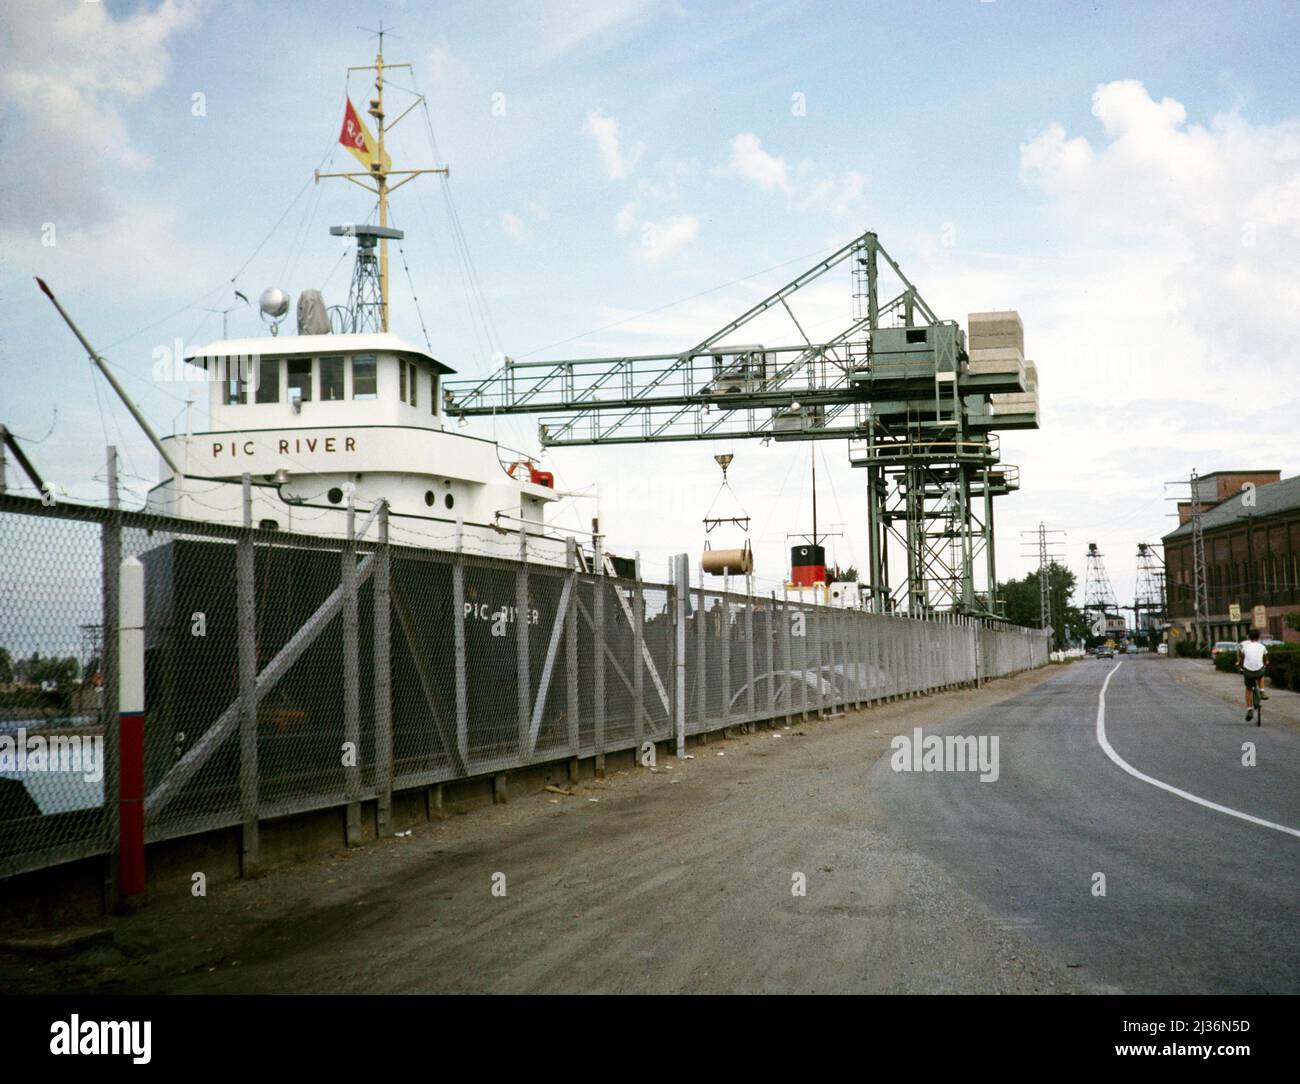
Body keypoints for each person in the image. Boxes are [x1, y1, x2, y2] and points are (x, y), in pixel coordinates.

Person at [1237, 629, 1270, 723]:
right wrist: (1266, 662)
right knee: (1261, 674)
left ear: (1249, 637)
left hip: (1248, 672)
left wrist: (1239, 666)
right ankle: (1262, 691)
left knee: (1248, 689)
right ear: (1259, 637)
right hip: (1259, 671)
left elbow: (1241, 661)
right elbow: (1266, 660)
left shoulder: (1245, 647)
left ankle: (1249, 710)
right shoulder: (1262, 647)